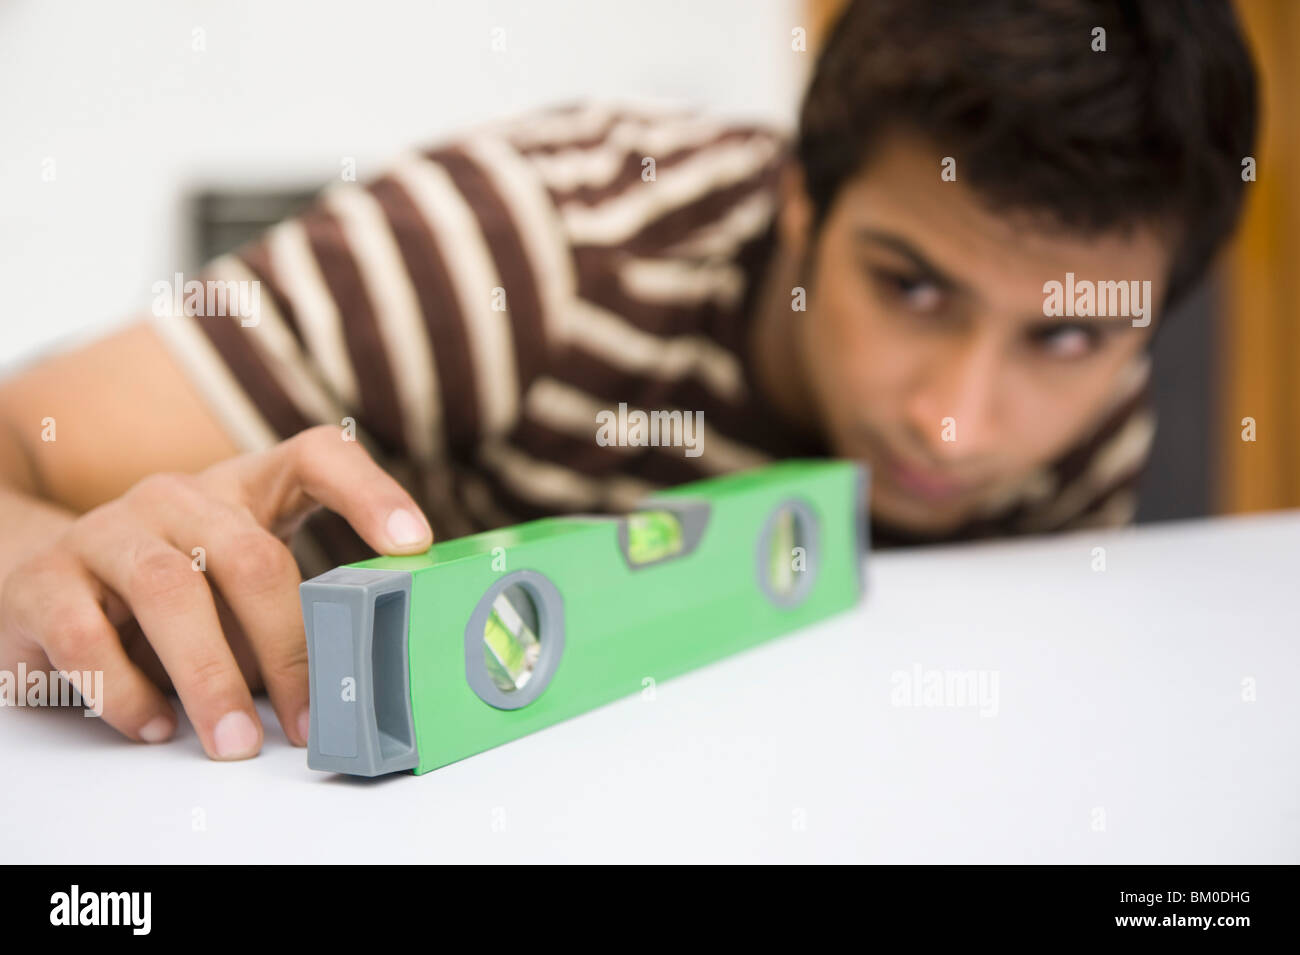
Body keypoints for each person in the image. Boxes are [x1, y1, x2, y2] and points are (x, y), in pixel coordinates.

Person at [0, 0, 1257, 759]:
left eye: (1069, 336)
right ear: (800, 194)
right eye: (911, 287)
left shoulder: (1097, 391)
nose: (957, 419)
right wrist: (30, 561)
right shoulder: (521, 248)